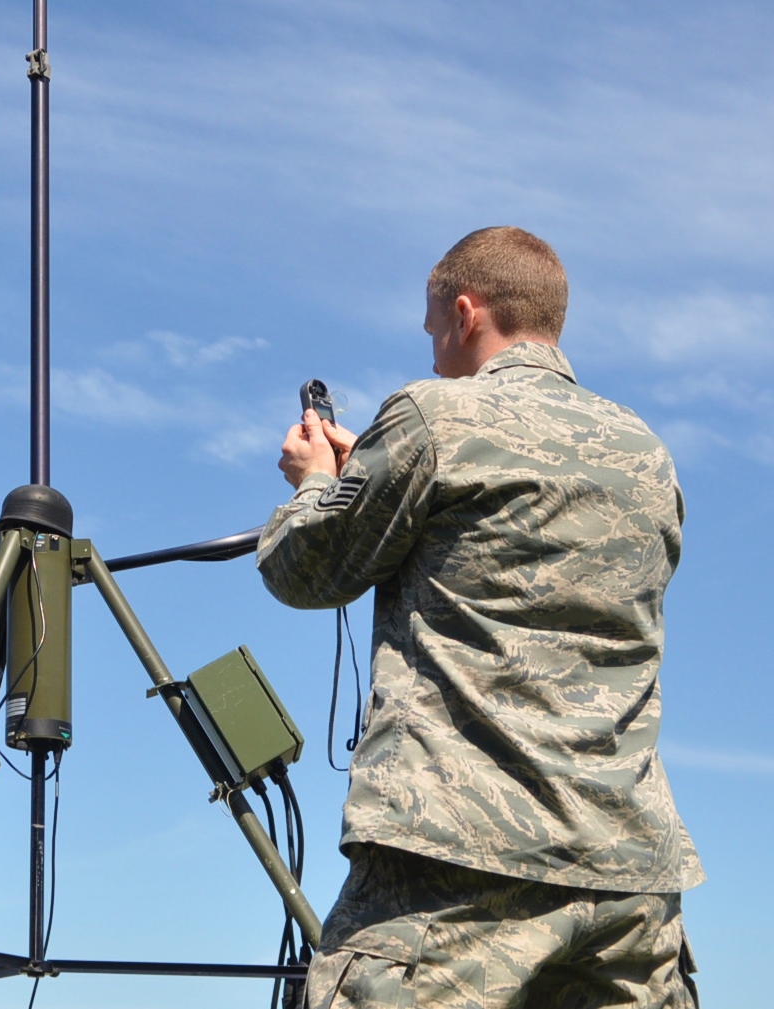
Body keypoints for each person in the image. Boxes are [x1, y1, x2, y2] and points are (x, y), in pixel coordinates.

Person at [257, 227, 702, 1008]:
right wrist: (378, 474)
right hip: (629, 876)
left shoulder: (432, 415)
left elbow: (306, 569)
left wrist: (316, 483)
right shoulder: (645, 450)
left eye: (434, 331)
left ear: (464, 314)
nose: (434, 356)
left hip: (456, 863)